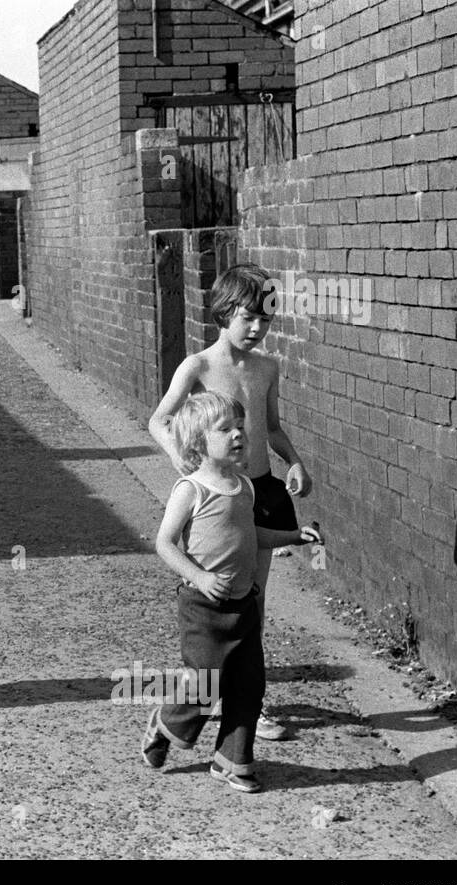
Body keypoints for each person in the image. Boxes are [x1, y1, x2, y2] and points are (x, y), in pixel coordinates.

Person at [147, 263, 313, 742]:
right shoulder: (198, 366)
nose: (257, 328)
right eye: (247, 318)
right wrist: (183, 456)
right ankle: (206, 690)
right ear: (223, 313)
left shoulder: (267, 368)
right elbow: (160, 419)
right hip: (218, 500)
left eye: (265, 319)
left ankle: (249, 703)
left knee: (253, 603)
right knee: (216, 602)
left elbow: (272, 427)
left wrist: (296, 462)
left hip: (260, 491)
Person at [142, 392, 322, 792]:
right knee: (207, 685)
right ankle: (166, 723)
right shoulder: (190, 489)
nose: (238, 434)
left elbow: (251, 534)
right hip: (203, 606)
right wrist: (201, 577)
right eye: (225, 429)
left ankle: (233, 760)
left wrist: (292, 535)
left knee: (248, 684)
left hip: (243, 603)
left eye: (240, 426)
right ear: (197, 441)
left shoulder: (244, 486)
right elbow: (165, 543)